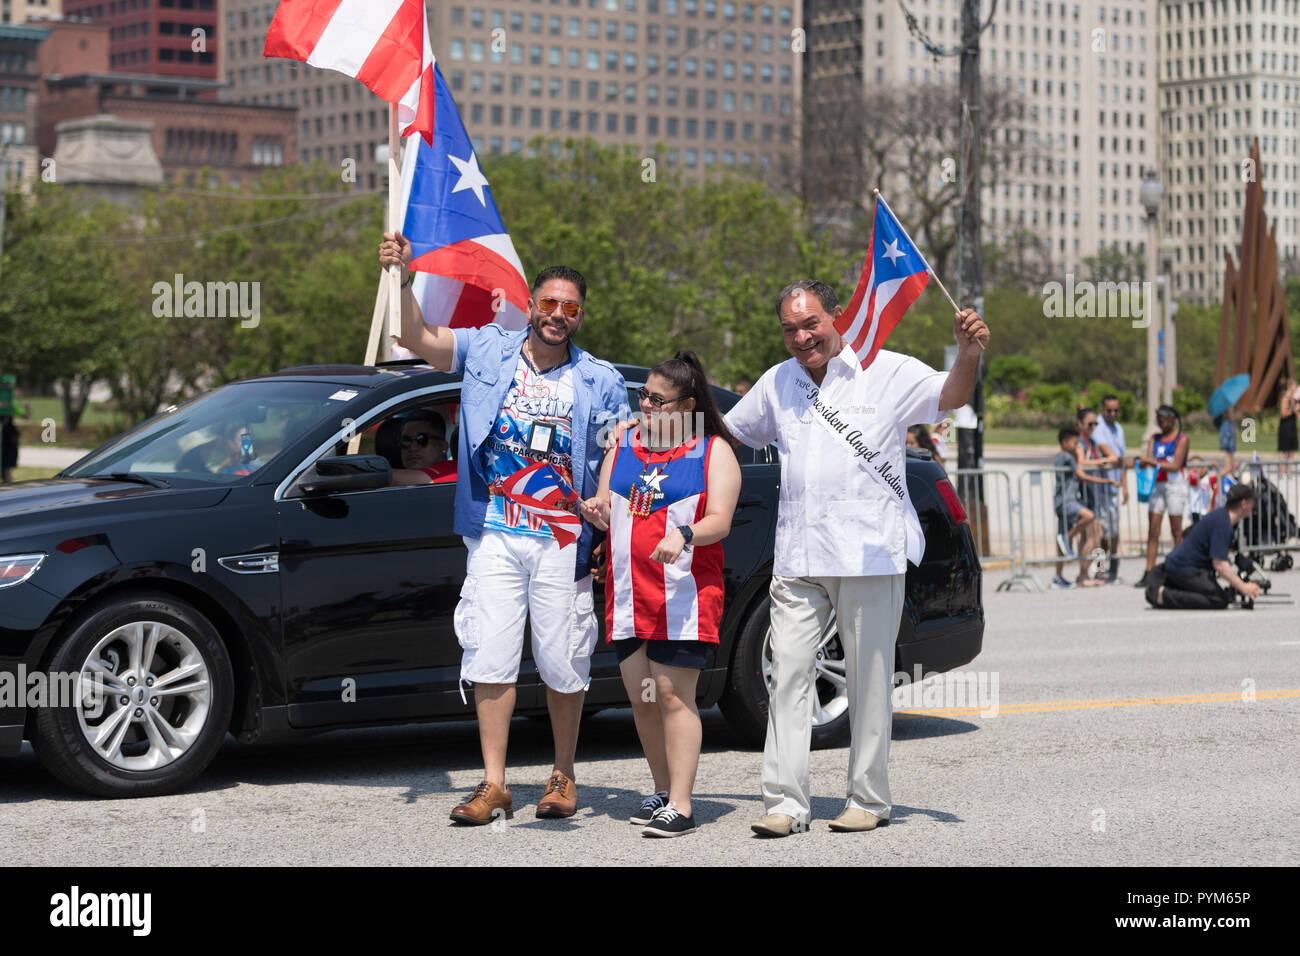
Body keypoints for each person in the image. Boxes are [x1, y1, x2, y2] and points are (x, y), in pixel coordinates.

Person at [379, 231, 630, 826]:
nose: (558, 316)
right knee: (489, 655)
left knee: (563, 658)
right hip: (494, 528)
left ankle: (563, 775)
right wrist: (405, 276)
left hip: (564, 538)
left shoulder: (599, 379)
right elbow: (417, 338)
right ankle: (494, 784)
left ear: (580, 315)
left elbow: (621, 443)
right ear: (531, 306)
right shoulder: (488, 350)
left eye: (570, 308)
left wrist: (601, 497)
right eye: (548, 304)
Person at [724, 278, 989, 837]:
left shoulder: (887, 370)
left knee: (868, 680)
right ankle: (786, 804)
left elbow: (950, 397)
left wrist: (967, 355)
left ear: (837, 316)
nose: (801, 337)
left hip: (868, 555)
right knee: (788, 676)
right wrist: (657, 432)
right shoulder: (779, 381)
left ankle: (868, 798)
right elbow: (729, 432)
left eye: (811, 324)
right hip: (797, 558)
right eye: (790, 328)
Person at [580, 350, 741, 837]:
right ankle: (661, 788)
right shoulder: (623, 442)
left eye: (658, 400)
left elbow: (721, 521)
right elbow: (607, 505)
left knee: (672, 696)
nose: (646, 406)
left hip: (683, 595)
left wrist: (685, 534)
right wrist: (595, 509)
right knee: (642, 698)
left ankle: (683, 805)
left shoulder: (714, 451)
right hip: (629, 591)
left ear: (686, 405)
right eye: (643, 396)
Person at [1146, 483, 1260, 609]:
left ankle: (1168, 588)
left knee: (1217, 593)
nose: (1253, 506)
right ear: (1244, 504)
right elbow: (1220, 565)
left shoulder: (1221, 516)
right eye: (1252, 502)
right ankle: (1164, 596)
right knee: (1218, 600)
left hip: (1181, 566)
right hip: (1185, 569)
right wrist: (1244, 588)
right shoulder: (1223, 524)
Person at [1051, 426, 1117, 588]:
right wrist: (1104, 468)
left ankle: (1098, 571)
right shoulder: (1071, 455)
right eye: (1090, 424)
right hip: (1081, 502)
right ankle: (1090, 573)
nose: (1077, 446)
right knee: (1095, 535)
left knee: (1100, 539)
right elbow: (1081, 470)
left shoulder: (1091, 444)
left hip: (1086, 500)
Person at [1133, 404, 1190, 588]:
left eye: (1162, 419)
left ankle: (1178, 570)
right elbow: (1150, 461)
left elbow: (1175, 465)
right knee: (1153, 530)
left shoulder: (1182, 438)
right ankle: (1149, 571)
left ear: (1172, 420)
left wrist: (1150, 461)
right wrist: (1143, 463)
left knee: (1176, 531)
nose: (1159, 423)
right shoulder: (1154, 438)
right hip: (1157, 485)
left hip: (1174, 485)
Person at [1090, 395, 1128, 582]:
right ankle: (1100, 569)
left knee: (1113, 531)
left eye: (1116, 410)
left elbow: (1120, 459)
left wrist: (1125, 486)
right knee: (1101, 533)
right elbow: (1108, 453)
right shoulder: (1098, 427)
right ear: (1102, 409)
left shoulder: (1118, 428)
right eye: (1109, 410)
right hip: (1099, 489)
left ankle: (1113, 566)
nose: (1113, 414)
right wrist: (1120, 460)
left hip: (1113, 489)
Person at [389, 409, 457, 485]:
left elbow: (387, 477)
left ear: (443, 446)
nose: (412, 448)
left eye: (421, 439)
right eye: (406, 441)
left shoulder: (453, 470)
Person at [1279, 377, 1298, 476]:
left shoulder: (1293, 399)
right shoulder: (1285, 398)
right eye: (1295, 386)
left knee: (1291, 449)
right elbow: (1283, 413)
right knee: (1283, 449)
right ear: (1290, 387)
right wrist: (1293, 411)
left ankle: (1289, 471)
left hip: (1292, 426)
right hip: (1285, 426)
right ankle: (1282, 471)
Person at [1216, 404, 1239, 475]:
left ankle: (1230, 475)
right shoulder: (1226, 424)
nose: (1234, 415)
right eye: (1232, 413)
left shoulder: (1229, 423)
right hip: (1228, 448)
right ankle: (1219, 477)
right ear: (1227, 414)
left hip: (1230, 447)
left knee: (1230, 466)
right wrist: (1225, 446)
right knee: (1228, 467)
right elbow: (1225, 437)